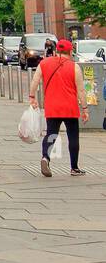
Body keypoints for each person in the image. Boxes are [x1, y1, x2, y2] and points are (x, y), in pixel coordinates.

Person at [30, 38, 87, 178]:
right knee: (73, 136)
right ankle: (74, 167)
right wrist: (85, 108)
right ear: (70, 51)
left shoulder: (44, 63)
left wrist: (32, 97)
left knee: (51, 134)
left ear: (56, 50)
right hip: (70, 107)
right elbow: (81, 91)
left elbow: (35, 80)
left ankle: (45, 158)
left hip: (52, 106)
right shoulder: (75, 67)